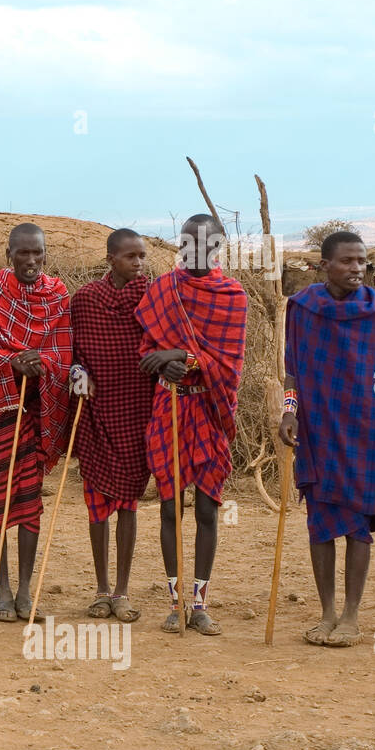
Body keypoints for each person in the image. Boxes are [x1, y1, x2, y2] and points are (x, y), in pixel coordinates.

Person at [280, 230, 375, 647]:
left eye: (361, 261)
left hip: (367, 430)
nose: (356, 268)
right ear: (324, 265)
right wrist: (290, 410)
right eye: (347, 261)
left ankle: (351, 616)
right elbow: (292, 370)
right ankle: (327, 612)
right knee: (322, 522)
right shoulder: (302, 309)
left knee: (358, 524)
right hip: (318, 428)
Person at [136, 213, 247, 635]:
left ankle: (200, 604)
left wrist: (183, 357)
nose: (195, 251)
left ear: (218, 247)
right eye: (187, 243)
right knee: (169, 506)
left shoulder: (232, 296)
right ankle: (175, 602)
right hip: (169, 406)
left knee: (206, 508)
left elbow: (230, 366)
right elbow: (148, 351)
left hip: (209, 410)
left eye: (205, 244)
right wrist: (166, 364)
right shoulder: (163, 290)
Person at [0, 223, 72, 622]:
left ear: (46, 254)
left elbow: (62, 353)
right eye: (23, 253)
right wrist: (12, 361)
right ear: (8, 254)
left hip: (35, 411)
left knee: (29, 501)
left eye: (38, 253)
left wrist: (39, 363)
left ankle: (26, 590)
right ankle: (1, 587)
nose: (31, 261)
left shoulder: (58, 295)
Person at [69, 228, 155, 623]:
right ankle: (101, 588)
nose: (138, 263)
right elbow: (72, 351)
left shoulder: (152, 298)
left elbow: (161, 344)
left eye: (142, 256)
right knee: (98, 505)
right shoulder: (85, 300)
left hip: (136, 411)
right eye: (130, 256)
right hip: (96, 412)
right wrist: (77, 373)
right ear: (110, 260)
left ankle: (122, 591)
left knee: (128, 504)